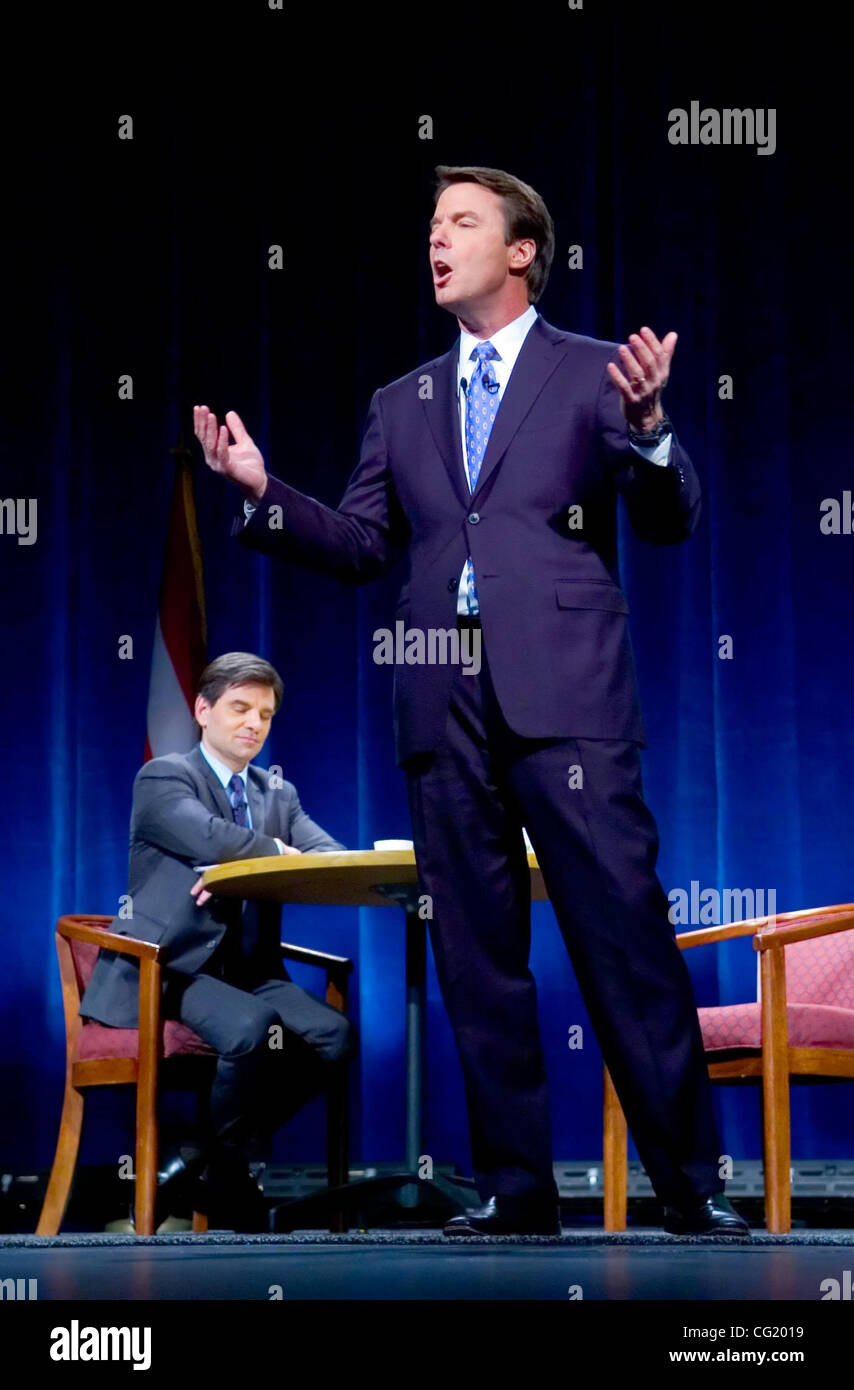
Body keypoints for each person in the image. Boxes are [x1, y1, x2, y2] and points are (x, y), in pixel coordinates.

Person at [193, 165, 748, 1238]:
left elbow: (671, 517)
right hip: (440, 707)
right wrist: (265, 495)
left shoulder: (595, 376)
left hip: (568, 702)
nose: (436, 241)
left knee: (622, 940)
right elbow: (361, 544)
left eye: (460, 223)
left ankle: (687, 1183)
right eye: (430, 226)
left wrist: (649, 431)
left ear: (520, 250)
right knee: (476, 959)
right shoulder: (400, 402)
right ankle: (515, 1189)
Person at [81, 651, 352, 1231]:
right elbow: (202, 832)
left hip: (249, 968)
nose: (253, 723)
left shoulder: (278, 795)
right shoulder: (164, 776)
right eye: (240, 709)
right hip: (171, 969)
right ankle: (230, 1177)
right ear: (203, 710)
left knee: (333, 1035)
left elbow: (330, 858)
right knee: (252, 1028)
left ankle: (203, 1157)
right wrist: (269, 853)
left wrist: (249, 857)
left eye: (265, 714)